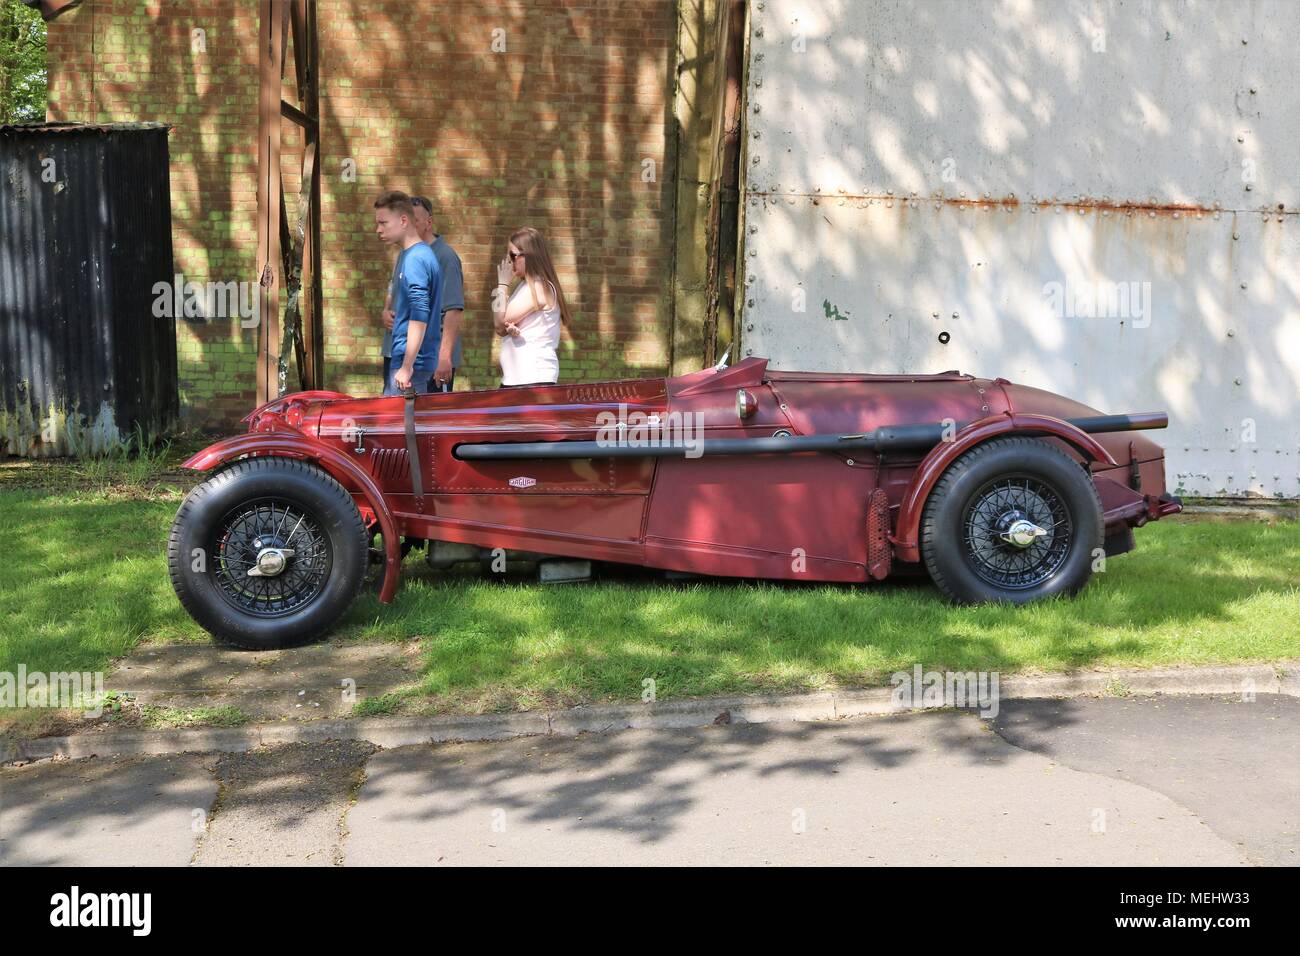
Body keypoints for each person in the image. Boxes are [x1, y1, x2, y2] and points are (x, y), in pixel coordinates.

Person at [373, 190, 442, 395]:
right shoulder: (414, 255)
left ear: (403, 220)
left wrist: (407, 366)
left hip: (411, 364)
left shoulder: (416, 258)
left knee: (399, 426)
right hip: (413, 361)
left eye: (383, 223)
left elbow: (420, 314)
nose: (378, 229)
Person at [494, 226, 571, 387]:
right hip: (518, 379)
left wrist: (502, 285)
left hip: (533, 377)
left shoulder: (539, 287)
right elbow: (501, 328)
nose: (509, 261)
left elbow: (499, 322)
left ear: (530, 256)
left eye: (513, 255)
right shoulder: (525, 287)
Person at [410, 195, 464, 392]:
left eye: (414, 220)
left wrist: (444, 357)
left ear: (428, 222)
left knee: (430, 420)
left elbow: (453, 310)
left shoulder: (446, 258)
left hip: (433, 363)